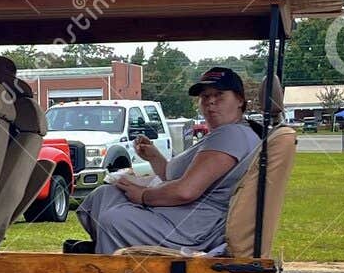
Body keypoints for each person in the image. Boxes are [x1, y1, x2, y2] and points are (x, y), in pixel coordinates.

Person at [76, 66, 260, 254]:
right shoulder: (220, 135)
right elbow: (175, 177)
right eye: (205, 96)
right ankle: (107, 250)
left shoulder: (231, 135)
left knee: (113, 220)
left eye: (219, 95)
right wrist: (154, 156)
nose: (210, 101)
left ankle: (115, 264)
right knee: (103, 195)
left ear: (239, 100)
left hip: (194, 228)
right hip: (177, 214)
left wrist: (143, 195)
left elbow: (185, 191)